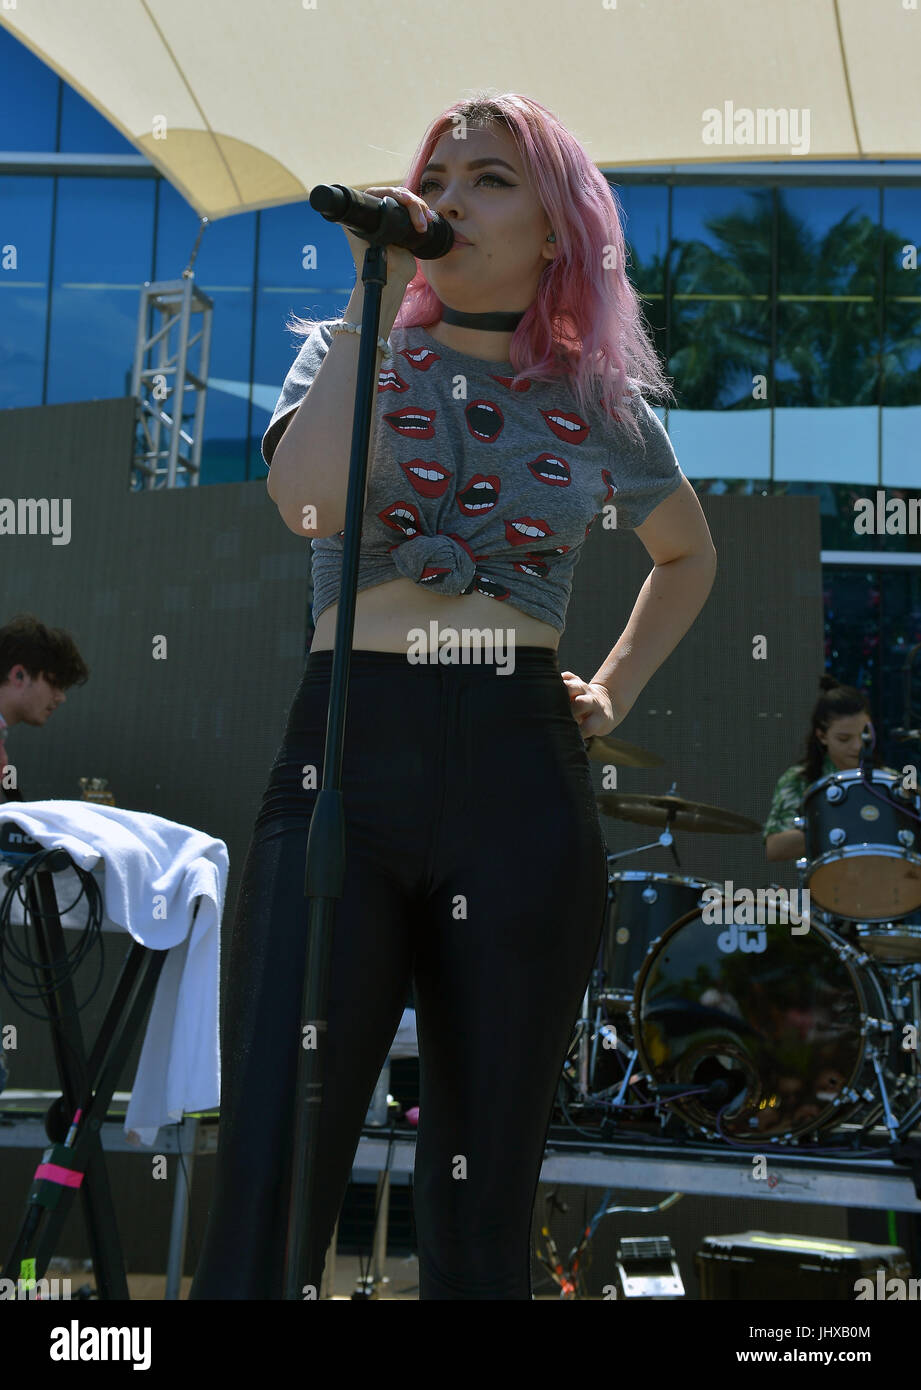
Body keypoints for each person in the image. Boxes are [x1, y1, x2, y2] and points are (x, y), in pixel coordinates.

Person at [189, 91, 716, 1301]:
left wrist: (613, 692)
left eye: (491, 178)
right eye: (440, 172)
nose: (450, 196)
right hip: (344, 749)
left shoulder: (600, 398)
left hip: (518, 767)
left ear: (555, 229)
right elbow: (308, 506)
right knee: (273, 1155)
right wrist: (375, 301)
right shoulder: (346, 345)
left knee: (482, 1189)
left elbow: (690, 554)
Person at [764, 675, 892, 863]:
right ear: (822, 736)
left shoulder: (890, 781)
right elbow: (775, 848)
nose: (857, 746)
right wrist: (848, 823)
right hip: (826, 886)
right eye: (844, 739)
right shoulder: (800, 780)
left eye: (863, 736)